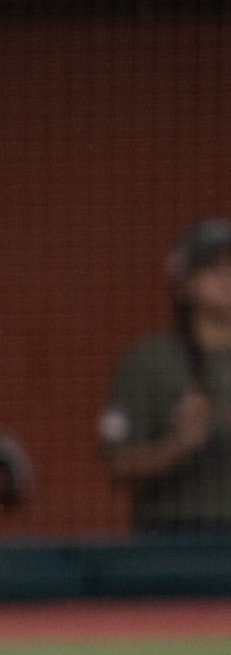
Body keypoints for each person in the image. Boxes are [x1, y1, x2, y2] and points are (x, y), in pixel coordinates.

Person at [100, 218, 231, 534]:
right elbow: (116, 465)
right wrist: (178, 445)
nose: (227, 277)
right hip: (171, 541)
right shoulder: (150, 360)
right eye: (213, 268)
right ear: (184, 282)